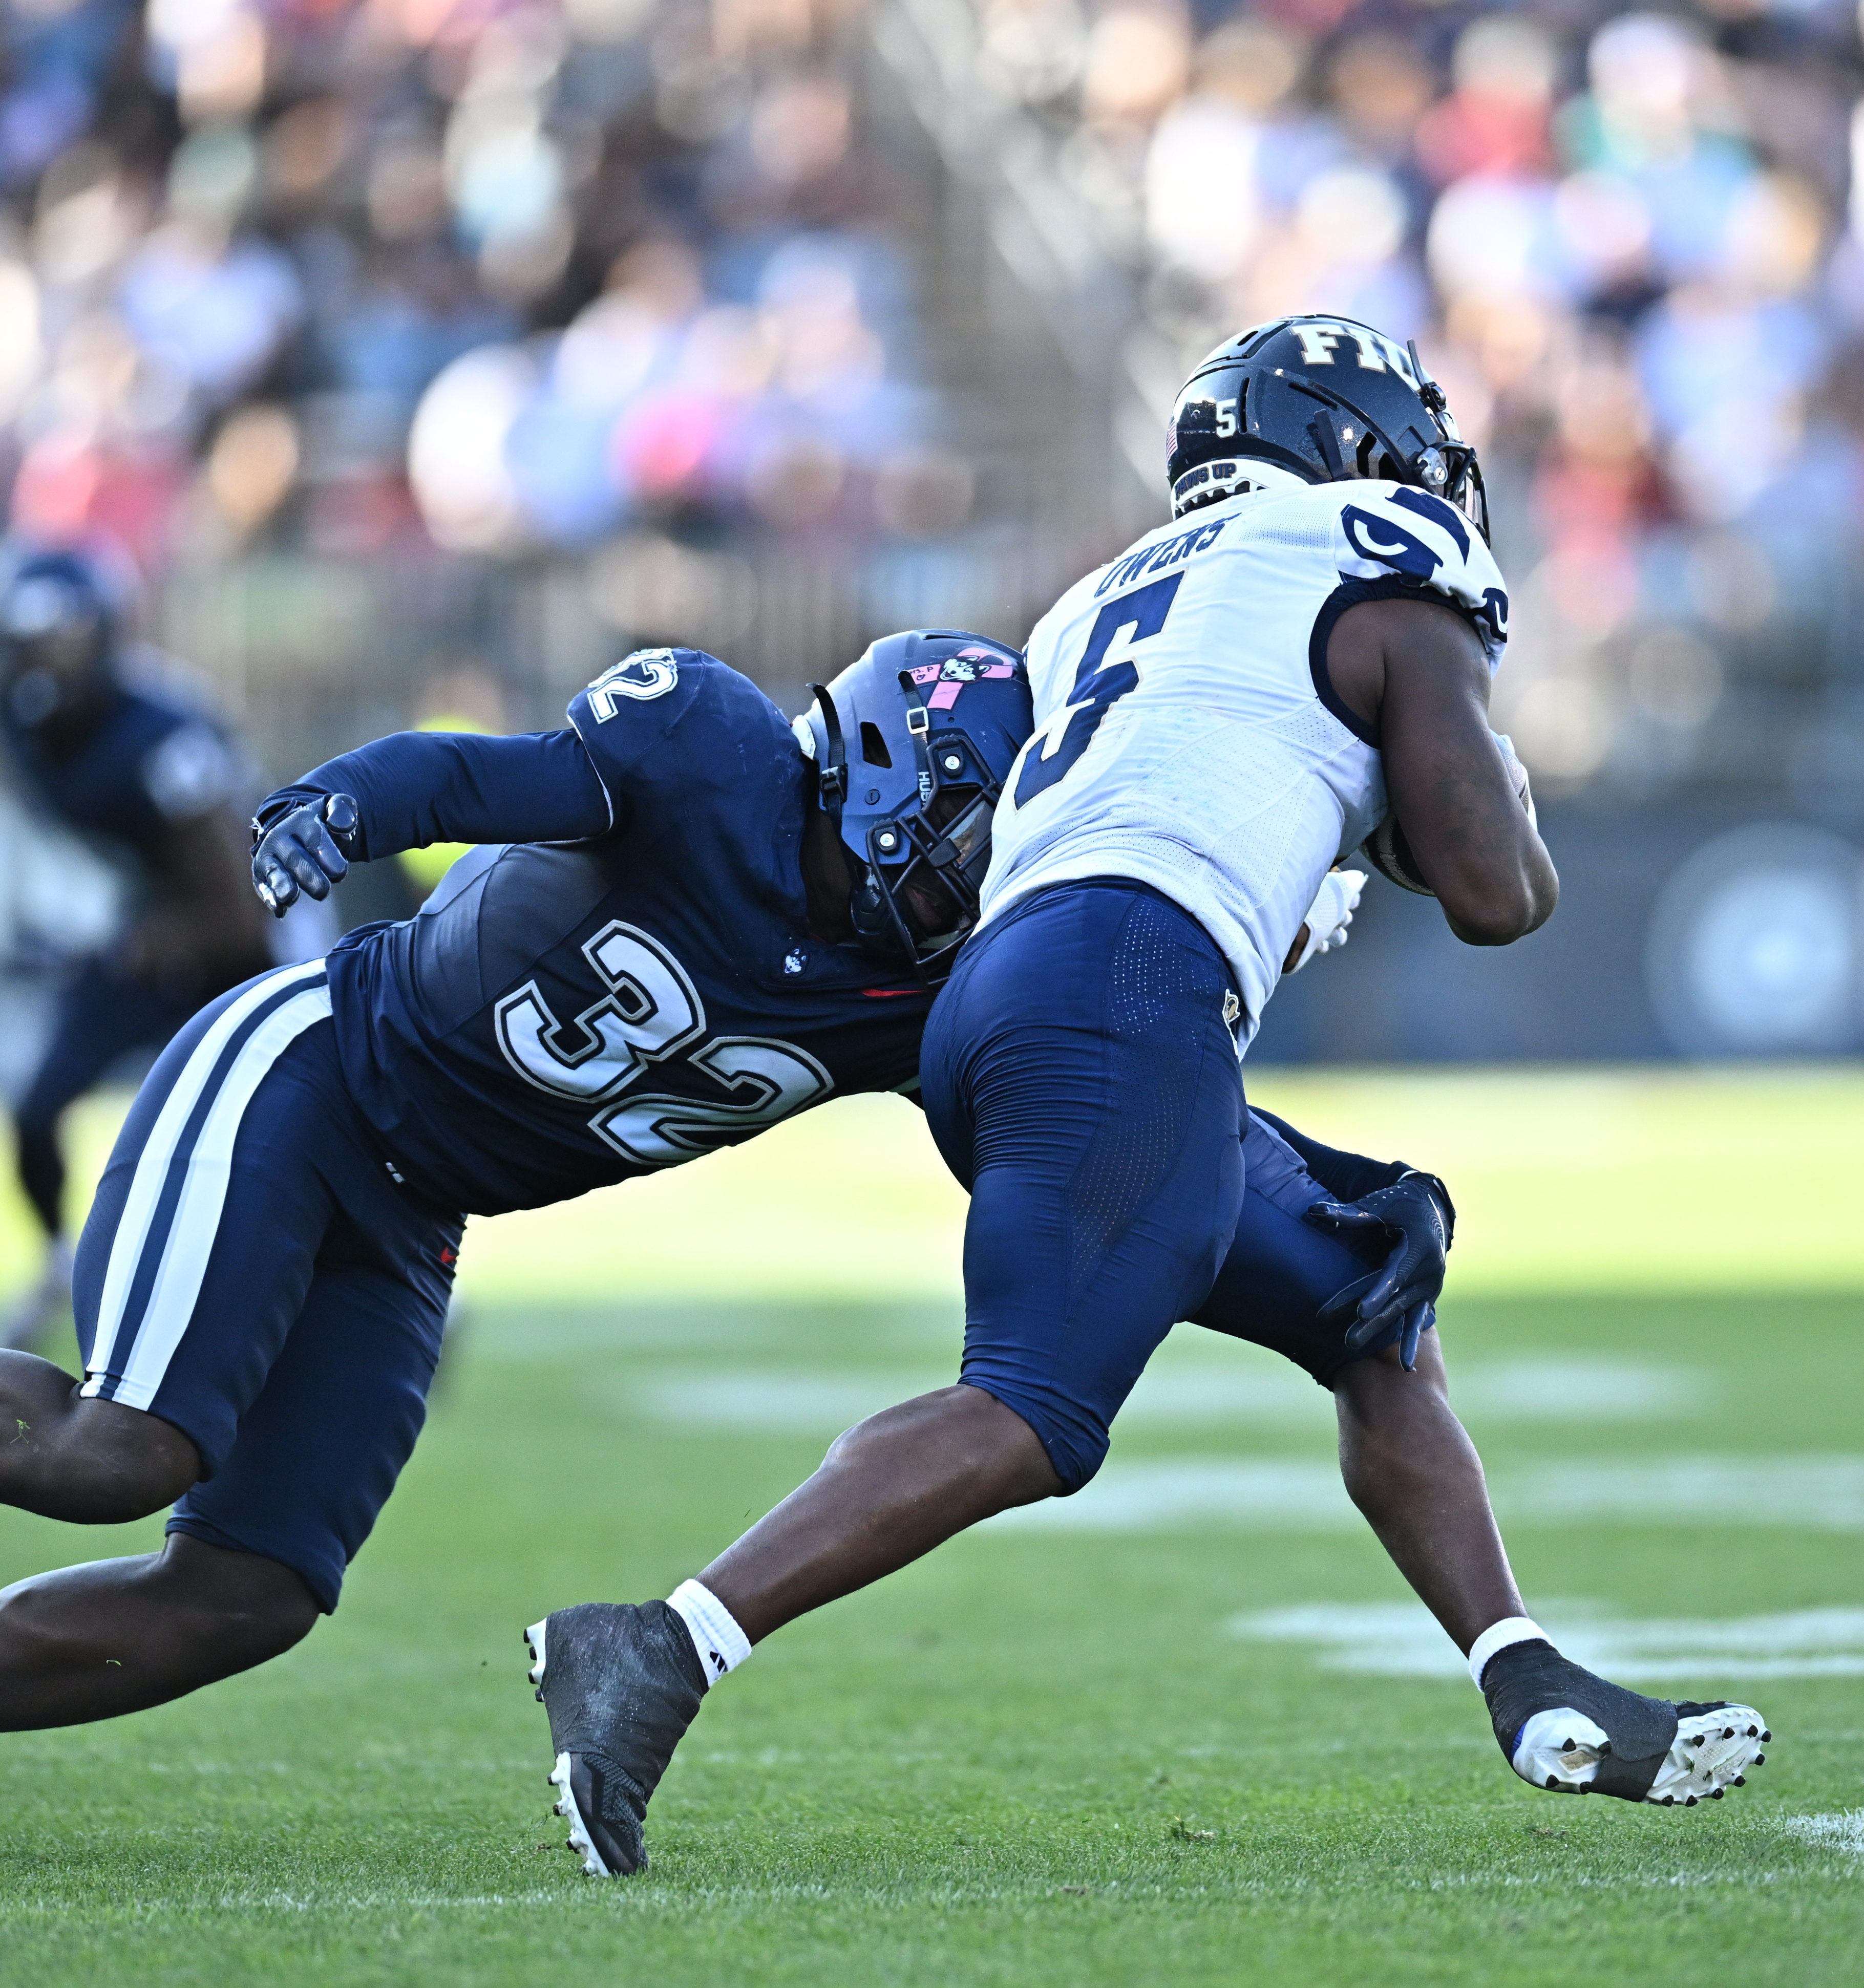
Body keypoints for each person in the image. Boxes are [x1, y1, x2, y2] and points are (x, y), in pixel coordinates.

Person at [526, 314, 1772, 1877]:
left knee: (1368, 1288)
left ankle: (1523, 1677)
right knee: (1031, 1408)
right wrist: (1457, 784)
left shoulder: (1096, 600)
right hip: (1123, 980)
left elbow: (1209, 783)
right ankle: (655, 1643)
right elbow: (1495, 889)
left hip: (1008, 994)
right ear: (1344, 443)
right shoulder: (1381, 553)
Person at [0, 629, 1062, 1858]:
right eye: (969, 837)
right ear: (881, 772)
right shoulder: (707, 753)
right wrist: (346, 808)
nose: (973, 881)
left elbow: (1043, 1119)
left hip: (419, 1202)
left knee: (253, 1590)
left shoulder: (913, 998)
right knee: (126, 1451)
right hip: (311, 1076)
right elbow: (465, 774)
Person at [0, 541, 294, 1350]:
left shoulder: (161, 740)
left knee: (274, 1143)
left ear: (106, 637)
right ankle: (54, 1262)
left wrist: (128, 942)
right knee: (38, 1110)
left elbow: (246, 913)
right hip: (153, 921)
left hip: (252, 938)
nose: (43, 663)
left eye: (63, 640)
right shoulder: (17, 718)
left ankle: (387, 1288)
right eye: (24, 643)